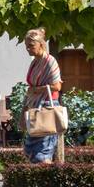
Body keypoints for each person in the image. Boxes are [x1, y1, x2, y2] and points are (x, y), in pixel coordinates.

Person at [22, 28, 62, 163]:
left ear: (41, 44)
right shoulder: (34, 63)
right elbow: (30, 89)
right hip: (34, 107)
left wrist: (37, 90)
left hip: (47, 108)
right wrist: (24, 111)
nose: (28, 49)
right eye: (26, 46)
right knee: (30, 150)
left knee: (42, 153)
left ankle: (46, 175)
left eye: (31, 45)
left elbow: (57, 86)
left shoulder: (50, 61)